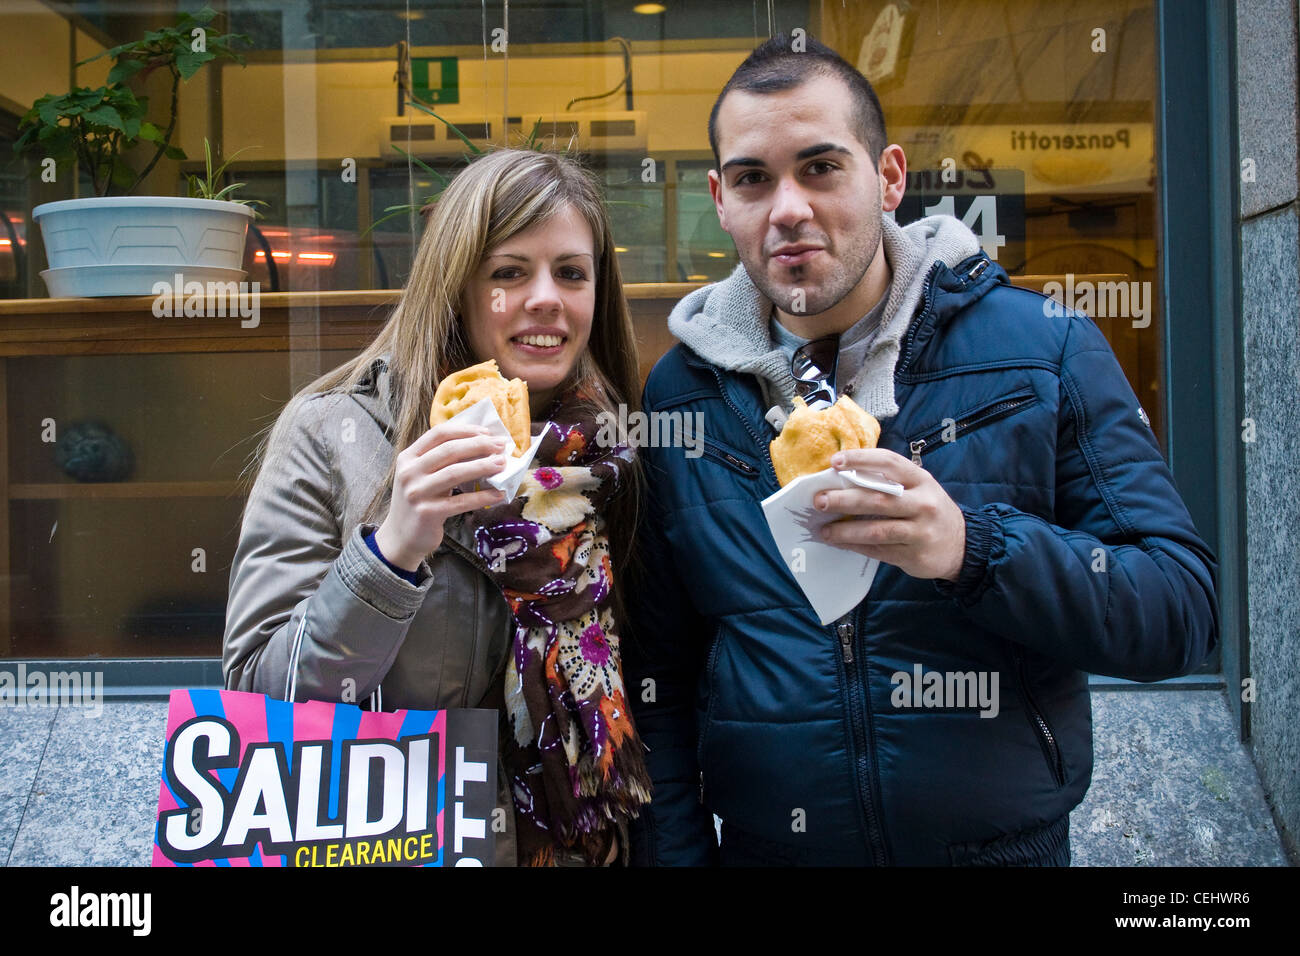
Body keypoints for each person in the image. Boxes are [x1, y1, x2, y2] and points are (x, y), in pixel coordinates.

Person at [624, 35, 1218, 866]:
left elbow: (1180, 612)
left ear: (890, 178)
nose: (788, 207)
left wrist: (971, 547)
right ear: (721, 199)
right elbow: (660, 676)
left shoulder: (1042, 349)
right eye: (755, 178)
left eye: (821, 167)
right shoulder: (681, 396)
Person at [223, 148, 651, 867]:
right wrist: (390, 552)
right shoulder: (334, 433)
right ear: (455, 286)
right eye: (509, 272)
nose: (546, 297)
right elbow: (259, 701)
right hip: (405, 847)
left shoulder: (619, 453)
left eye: (571, 273)